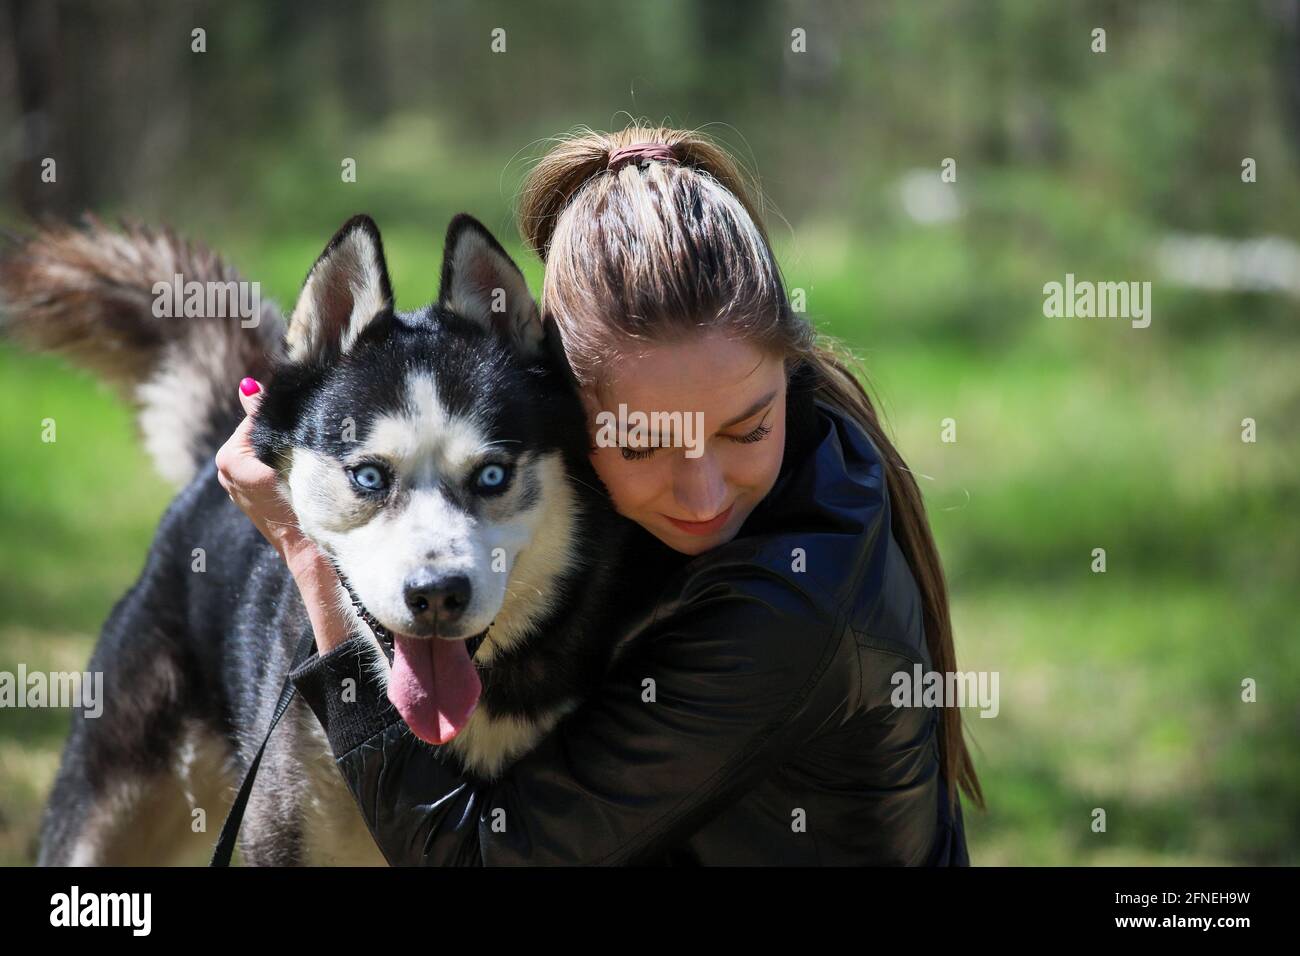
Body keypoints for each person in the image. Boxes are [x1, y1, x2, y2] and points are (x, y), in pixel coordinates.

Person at [216, 123, 983, 865]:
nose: (703, 493)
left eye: (746, 430)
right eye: (644, 443)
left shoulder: (789, 610)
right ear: (572, 415)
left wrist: (303, 547)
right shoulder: (802, 459)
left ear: (790, 370)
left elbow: (474, 863)